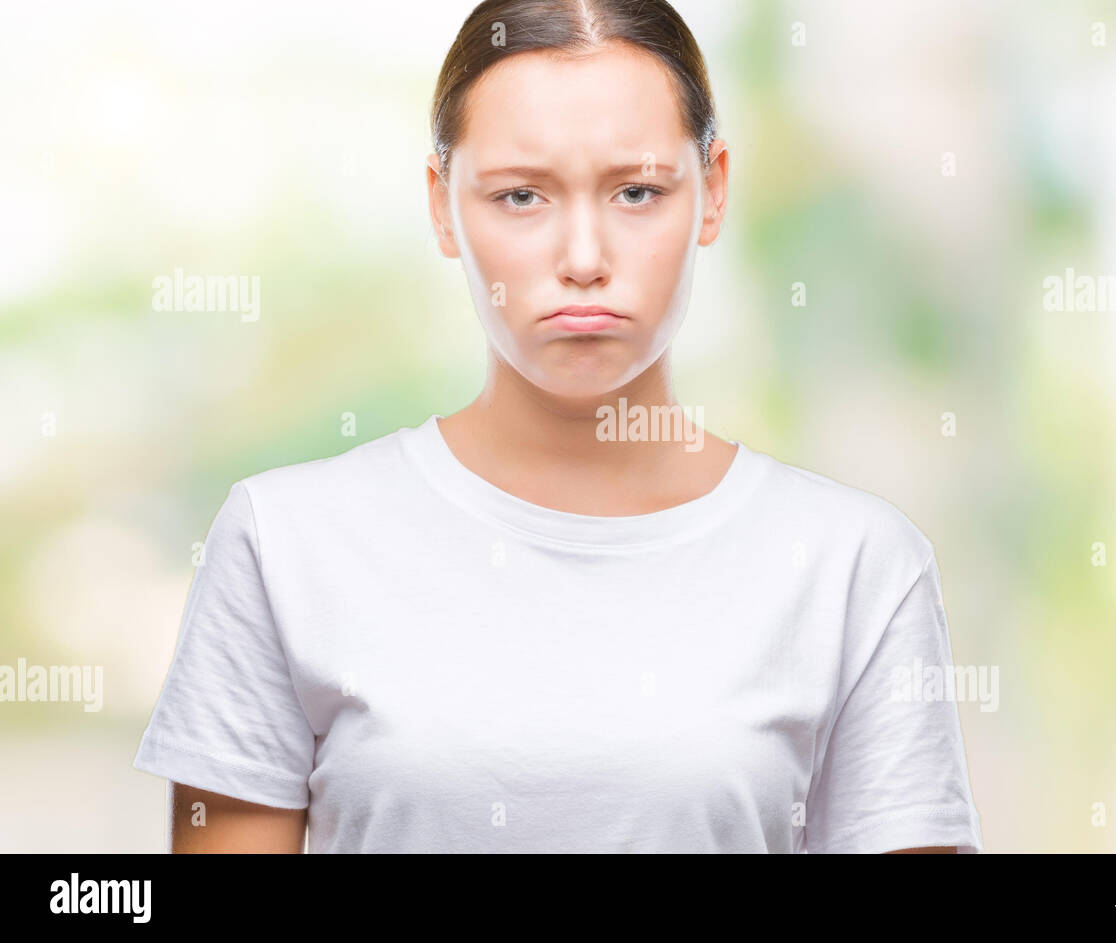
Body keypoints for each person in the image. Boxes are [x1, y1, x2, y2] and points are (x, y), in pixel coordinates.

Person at [132, 0, 983, 854]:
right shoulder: (285, 543)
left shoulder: (856, 566)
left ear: (714, 190)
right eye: (522, 195)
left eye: (638, 190)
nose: (583, 257)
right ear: (442, 204)